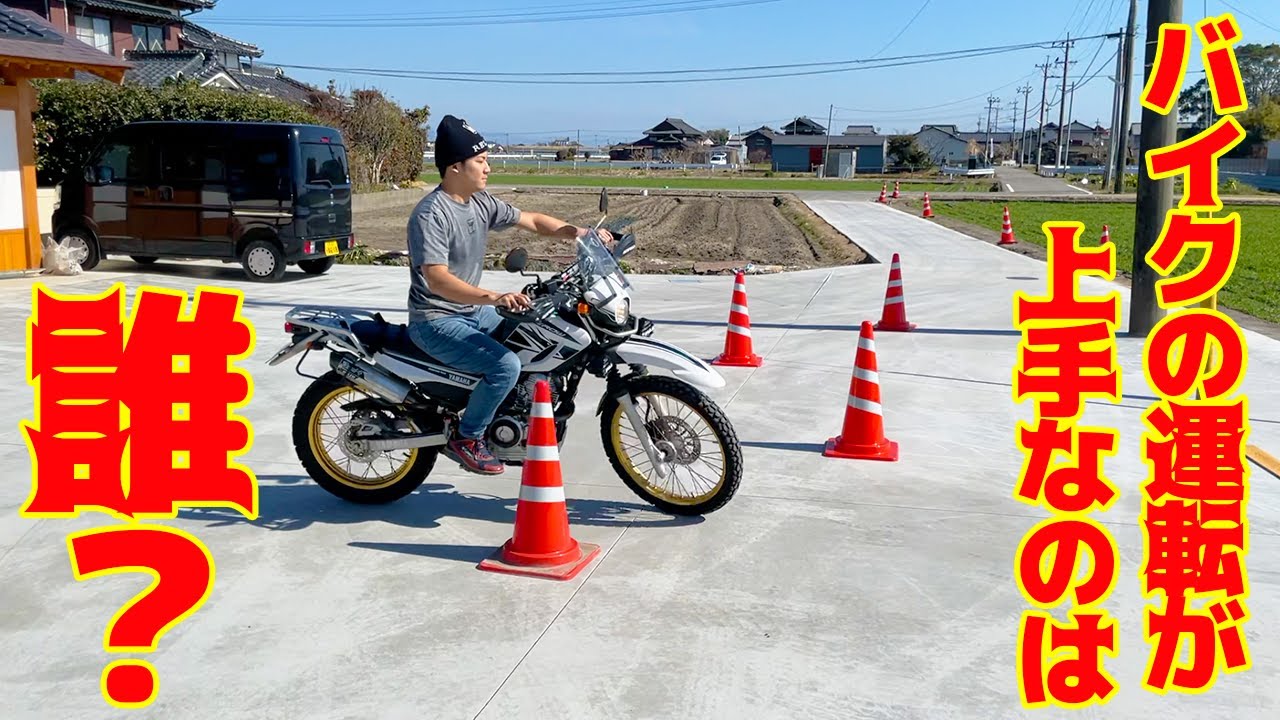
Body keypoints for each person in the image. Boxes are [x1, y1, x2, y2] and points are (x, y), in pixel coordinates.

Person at [406, 115, 611, 475]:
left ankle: (514, 409)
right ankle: (468, 437)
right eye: (481, 161)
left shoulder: (479, 202)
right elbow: (437, 280)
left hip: (471, 312)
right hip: (436, 320)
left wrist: (579, 233)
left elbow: (532, 220)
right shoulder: (431, 214)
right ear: (455, 166)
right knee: (505, 365)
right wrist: (494, 297)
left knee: (533, 329)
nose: (488, 168)